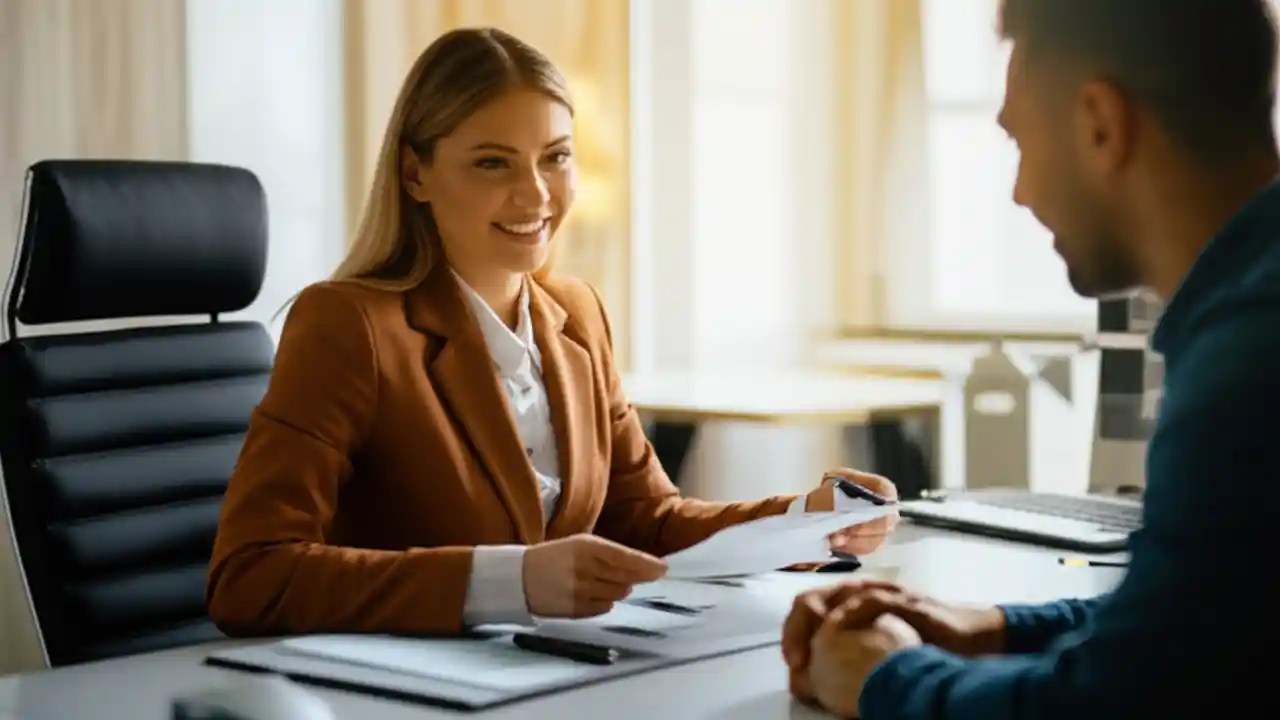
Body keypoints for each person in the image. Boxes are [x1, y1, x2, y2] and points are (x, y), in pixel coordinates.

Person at [206, 27, 897, 637]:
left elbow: (648, 521)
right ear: (416, 173)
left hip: (550, 678)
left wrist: (804, 517)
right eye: (493, 162)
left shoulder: (578, 315)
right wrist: (514, 582)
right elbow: (252, 576)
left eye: (556, 157)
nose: (536, 194)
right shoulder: (350, 325)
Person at [782, 0, 1280, 717]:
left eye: (1020, 140)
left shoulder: (1247, 373)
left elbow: (1110, 704)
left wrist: (886, 680)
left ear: (1101, 124)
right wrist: (992, 628)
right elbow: (1204, 617)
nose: (1020, 192)